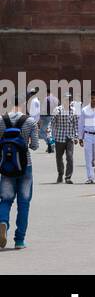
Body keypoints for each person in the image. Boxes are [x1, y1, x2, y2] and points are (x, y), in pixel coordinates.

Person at [0, 105, 39, 250]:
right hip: (25, 166)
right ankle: (19, 240)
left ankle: (3, 222)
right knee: (23, 204)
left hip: (6, 167)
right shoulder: (30, 121)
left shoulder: (1, 120)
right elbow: (35, 146)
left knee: (5, 200)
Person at [51, 93, 78, 184]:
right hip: (59, 137)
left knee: (70, 157)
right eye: (66, 99)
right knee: (59, 157)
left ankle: (68, 177)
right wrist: (51, 136)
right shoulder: (57, 110)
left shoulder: (73, 110)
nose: (68, 101)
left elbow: (76, 124)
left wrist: (76, 136)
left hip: (70, 138)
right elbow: (52, 123)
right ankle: (60, 174)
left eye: (69, 99)